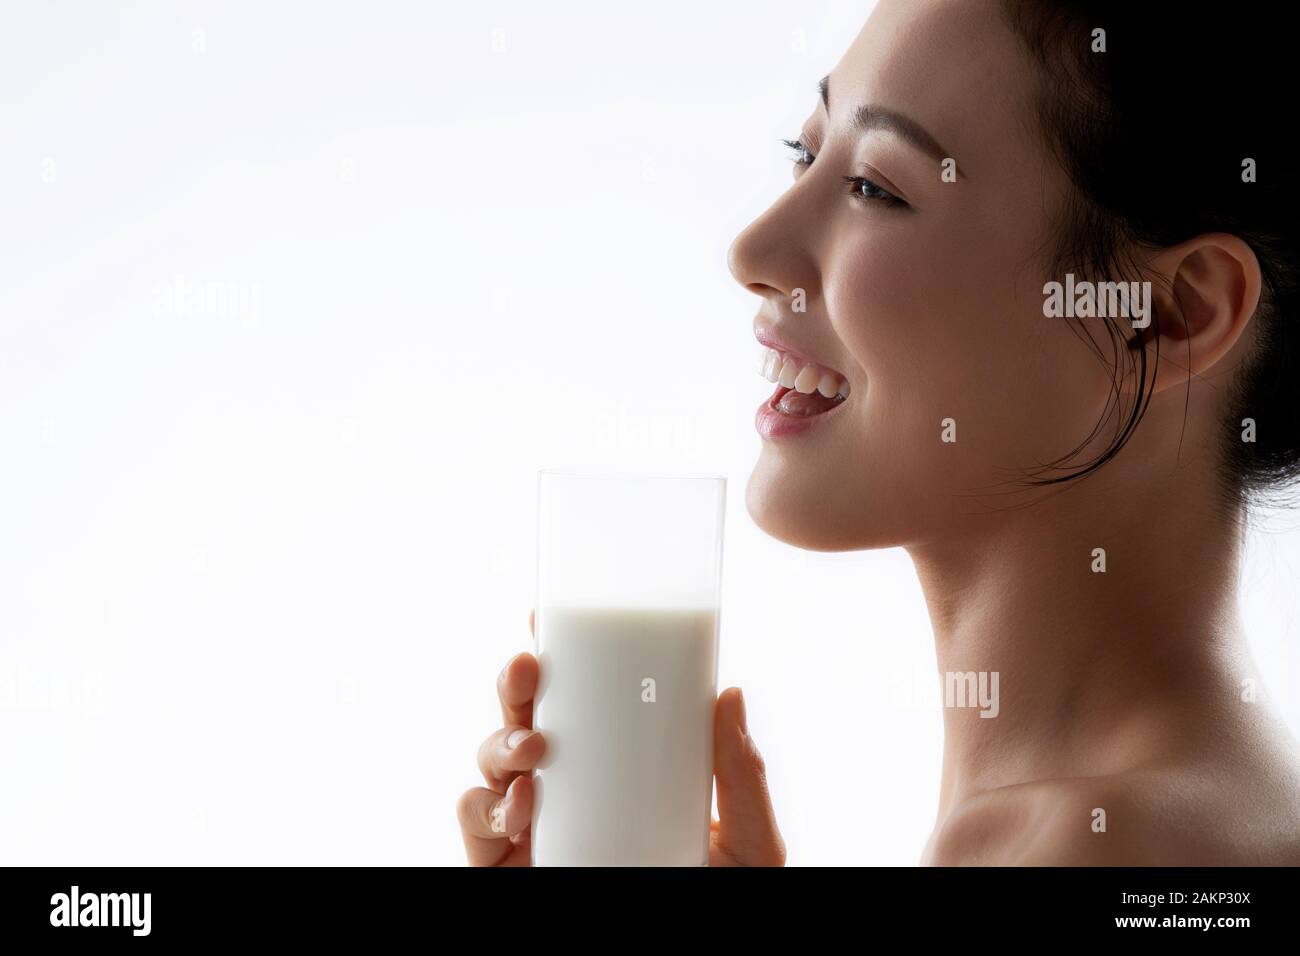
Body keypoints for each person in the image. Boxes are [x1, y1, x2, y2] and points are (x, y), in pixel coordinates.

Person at [459, 0, 1300, 865]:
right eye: (807, 152)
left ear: (1172, 312)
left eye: (876, 187)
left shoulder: (1102, 849)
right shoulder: (1199, 828)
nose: (751, 250)